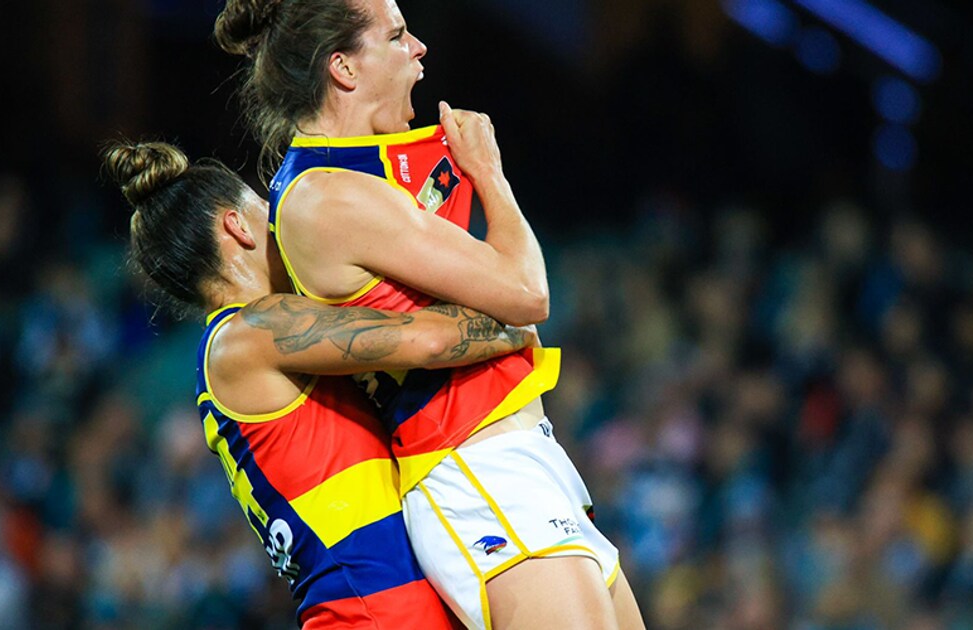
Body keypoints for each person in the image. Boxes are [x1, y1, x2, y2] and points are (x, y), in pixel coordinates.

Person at [214, 1, 646, 628]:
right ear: (344, 68)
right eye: (396, 36)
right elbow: (528, 292)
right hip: (476, 468)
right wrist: (491, 175)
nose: (419, 49)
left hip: (518, 457)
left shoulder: (352, 179)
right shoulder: (326, 194)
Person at [104, 140, 539, 628]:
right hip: (377, 610)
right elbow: (429, 342)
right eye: (266, 210)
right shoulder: (255, 331)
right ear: (237, 226)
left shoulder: (232, 350)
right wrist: (518, 316)